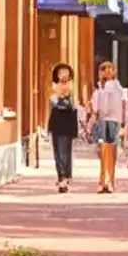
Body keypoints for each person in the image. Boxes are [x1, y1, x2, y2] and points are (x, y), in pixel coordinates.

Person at [90, 61, 127, 194]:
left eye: (109, 68)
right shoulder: (99, 88)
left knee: (111, 152)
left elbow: (123, 107)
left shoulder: (118, 88)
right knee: (103, 152)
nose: (106, 71)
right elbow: (95, 108)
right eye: (103, 69)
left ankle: (109, 181)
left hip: (114, 122)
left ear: (114, 71)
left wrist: (124, 126)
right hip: (102, 121)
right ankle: (103, 180)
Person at [47, 63, 80, 193]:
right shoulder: (53, 88)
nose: (64, 74)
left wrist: (68, 94)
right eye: (61, 72)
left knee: (65, 151)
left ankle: (64, 176)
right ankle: (61, 175)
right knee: (57, 151)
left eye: (66, 72)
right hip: (56, 122)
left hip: (67, 123)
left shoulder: (72, 89)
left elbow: (74, 105)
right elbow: (52, 104)